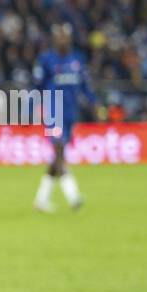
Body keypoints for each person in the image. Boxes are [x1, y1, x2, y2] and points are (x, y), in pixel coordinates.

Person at [33, 23, 103, 212]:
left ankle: (40, 200)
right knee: (58, 150)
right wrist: (36, 107)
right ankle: (74, 197)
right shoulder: (46, 60)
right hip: (53, 111)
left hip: (71, 114)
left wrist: (95, 104)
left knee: (59, 156)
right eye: (59, 36)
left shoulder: (77, 60)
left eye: (65, 36)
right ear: (55, 38)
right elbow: (36, 87)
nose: (62, 39)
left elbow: (86, 86)